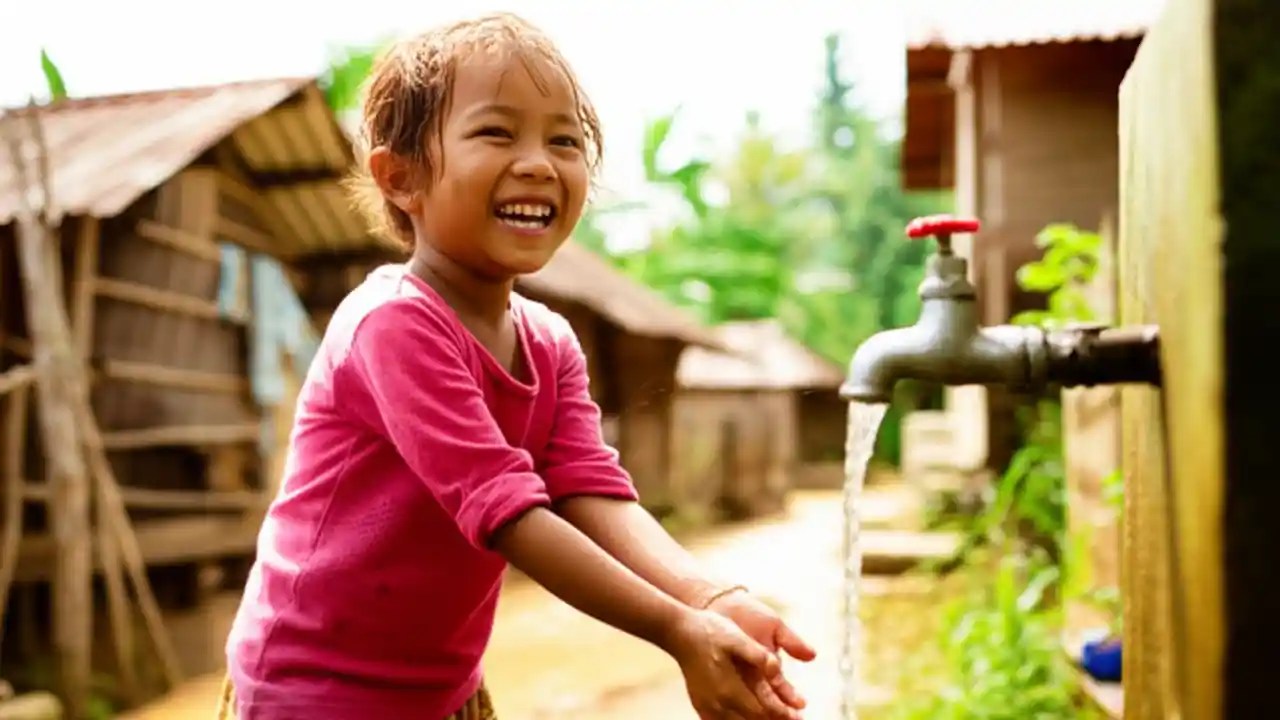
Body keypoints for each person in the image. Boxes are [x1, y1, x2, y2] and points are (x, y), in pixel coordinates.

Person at [220, 12, 816, 720]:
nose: (538, 161)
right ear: (401, 177)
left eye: (564, 141)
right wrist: (674, 629)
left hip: (444, 691)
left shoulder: (551, 340)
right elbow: (504, 509)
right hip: (315, 692)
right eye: (497, 133)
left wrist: (709, 597)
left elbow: (591, 489)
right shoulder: (394, 323)